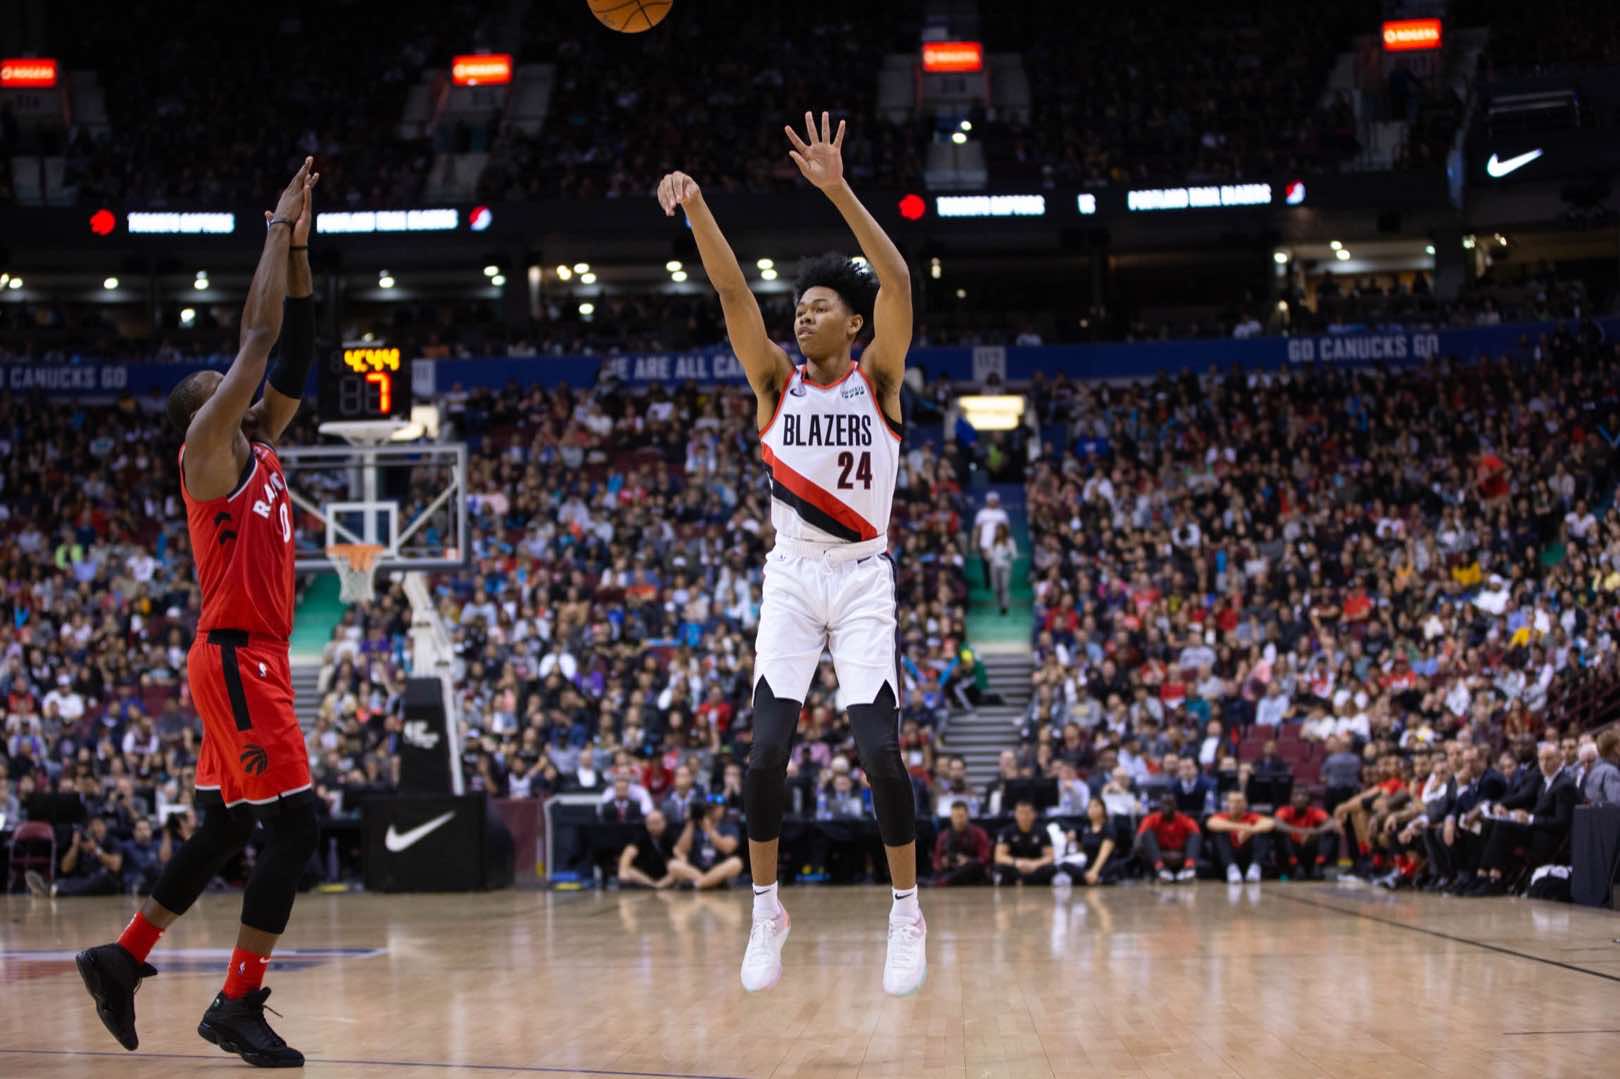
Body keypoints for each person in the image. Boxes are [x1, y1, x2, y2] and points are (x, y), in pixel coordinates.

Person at [659, 111, 924, 995]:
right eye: (799, 308)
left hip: (862, 577)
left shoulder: (877, 377)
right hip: (791, 575)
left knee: (878, 751)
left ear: (852, 324)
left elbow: (895, 275)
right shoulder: (774, 382)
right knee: (763, 752)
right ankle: (766, 903)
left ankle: (905, 909)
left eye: (818, 307)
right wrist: (698, 209)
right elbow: (734, 295)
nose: (800, 314)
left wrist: (836, 188)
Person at [66, 159, 319, 1067]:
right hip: (240, 660)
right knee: (295, 825)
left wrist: (304, 249)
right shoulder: (209, 452)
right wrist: (275, 228)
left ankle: (121, 956)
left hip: (243, 660)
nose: (238, 383)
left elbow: (296, 348)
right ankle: (236, 1001)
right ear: (205, 413)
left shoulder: (261, 442)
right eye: (220, 383)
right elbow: (260, 335)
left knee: (222, 828)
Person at [669, 801, 745, 891]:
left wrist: (709, 829)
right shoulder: (692, 826)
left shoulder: (728, 826)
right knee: (673, 865)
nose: (712, 811)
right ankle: (709, 882)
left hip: (718, 868)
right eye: (710, 808)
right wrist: (690, 823)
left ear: (723, 809)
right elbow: (681, 850)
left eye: (716, 808)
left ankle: (698, 884)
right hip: (695, 869)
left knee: (736, 863)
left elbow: (728, 848)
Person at [1207, 790, 1275, 883]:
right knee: (1219, 833)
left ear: (1245, 803)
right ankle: (1231, 868)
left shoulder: (1251, 816)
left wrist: (1251, 830)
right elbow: (1211, 823)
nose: (1235, 804)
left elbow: (1270, 823)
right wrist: (1242, 827)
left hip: (1247, 858)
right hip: (1226, 862)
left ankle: (1255, 867)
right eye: (1232, 802)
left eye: (1239, 801)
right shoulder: (1221, 816)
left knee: (1262, 832)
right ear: (1227, 804)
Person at [1272, 789, 1338, 879]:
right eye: (1296, 795)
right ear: (1291, 799)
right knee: (1280, 834)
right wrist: (1299, 831)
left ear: (1308, 799)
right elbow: (1277, 823)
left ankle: (1318, 865)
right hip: (1292, 852)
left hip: (1309, 851)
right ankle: (1295, 866)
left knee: (1330, 833)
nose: (1300, 798)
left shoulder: (1314, 811)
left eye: (1303, 795)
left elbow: (1331, 823)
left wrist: (1314, 832)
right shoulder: (1285, 810)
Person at [1135, 793, 1202, 882]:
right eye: (1164, 804)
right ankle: (1160, 870)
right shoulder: (1151, 818)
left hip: (1181, 857)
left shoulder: (1185, 819)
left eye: (1170, 804)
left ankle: (1189, 869)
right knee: (1147, 834)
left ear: (1175, 805)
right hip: (1159, 857)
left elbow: (1196, 836)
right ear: (1160, 805)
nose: (1167, 807)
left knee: (1195, 835)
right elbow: (1139, 839)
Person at [992, 800, 1058, 885]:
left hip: (1035, 866)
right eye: (1020, 813)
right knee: (999, 867)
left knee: (1051, 868)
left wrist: (1034, 864)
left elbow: (1050, 857)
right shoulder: (1007, 831)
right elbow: (999, 856)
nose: (1023, 816)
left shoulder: (1042, 831)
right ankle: (1023, 881)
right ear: (1015, 814)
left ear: (1034, 814)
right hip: (1016, 866)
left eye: (1027, 813)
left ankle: (1024, 882)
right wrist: (1017, 862)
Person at [930, 801, 991, 885]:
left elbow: (985, 858)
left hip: (972, 871)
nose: (958, 820)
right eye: (955, 817)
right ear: (951, 817)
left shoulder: (979, 833)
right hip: (950, 870)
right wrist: (943, 862)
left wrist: (968, 861)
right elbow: (936, 859)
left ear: (967, 815)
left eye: (961, 816)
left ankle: (945, 881)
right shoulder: (944, 836)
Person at [617, 810, 678, 890]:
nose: (654, 826)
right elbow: (628, 853)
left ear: (664, 822)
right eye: (651, 823)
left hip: (667, 876)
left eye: (657, 822)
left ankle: (659, 885)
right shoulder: (641, 835)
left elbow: (681, 857)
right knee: (628, 870)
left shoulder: (671, 836)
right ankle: (653, 886)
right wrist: (623, 872)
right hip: (645, 877)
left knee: (678, 868)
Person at [973, 492, 1011, 590]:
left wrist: (1007, 541)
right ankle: (987, 584)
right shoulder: (982, 513)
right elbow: (977, 529)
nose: (993, 502)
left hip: (998, 543)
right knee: (986, 564)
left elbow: (1007, 528)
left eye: (994, 500)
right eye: (991, 500)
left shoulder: (1002, 513)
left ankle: (999, 584)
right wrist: (974, 541)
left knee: (998, 564)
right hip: (985, 543)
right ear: (987, 501)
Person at [988, 523, 1017, 616]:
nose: (998, 532)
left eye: (1000, 530)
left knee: (1005, 587)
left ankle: (1005, 606)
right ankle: (1000, 604)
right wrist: (988, 556)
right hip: (994, 567)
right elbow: (989, 555)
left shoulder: (1010, 541)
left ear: (1004, 531)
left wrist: (1009, 554)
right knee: (996, 588)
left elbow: (1015, 555)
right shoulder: (992, 542)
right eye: (997, 530)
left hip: (1005, 567)